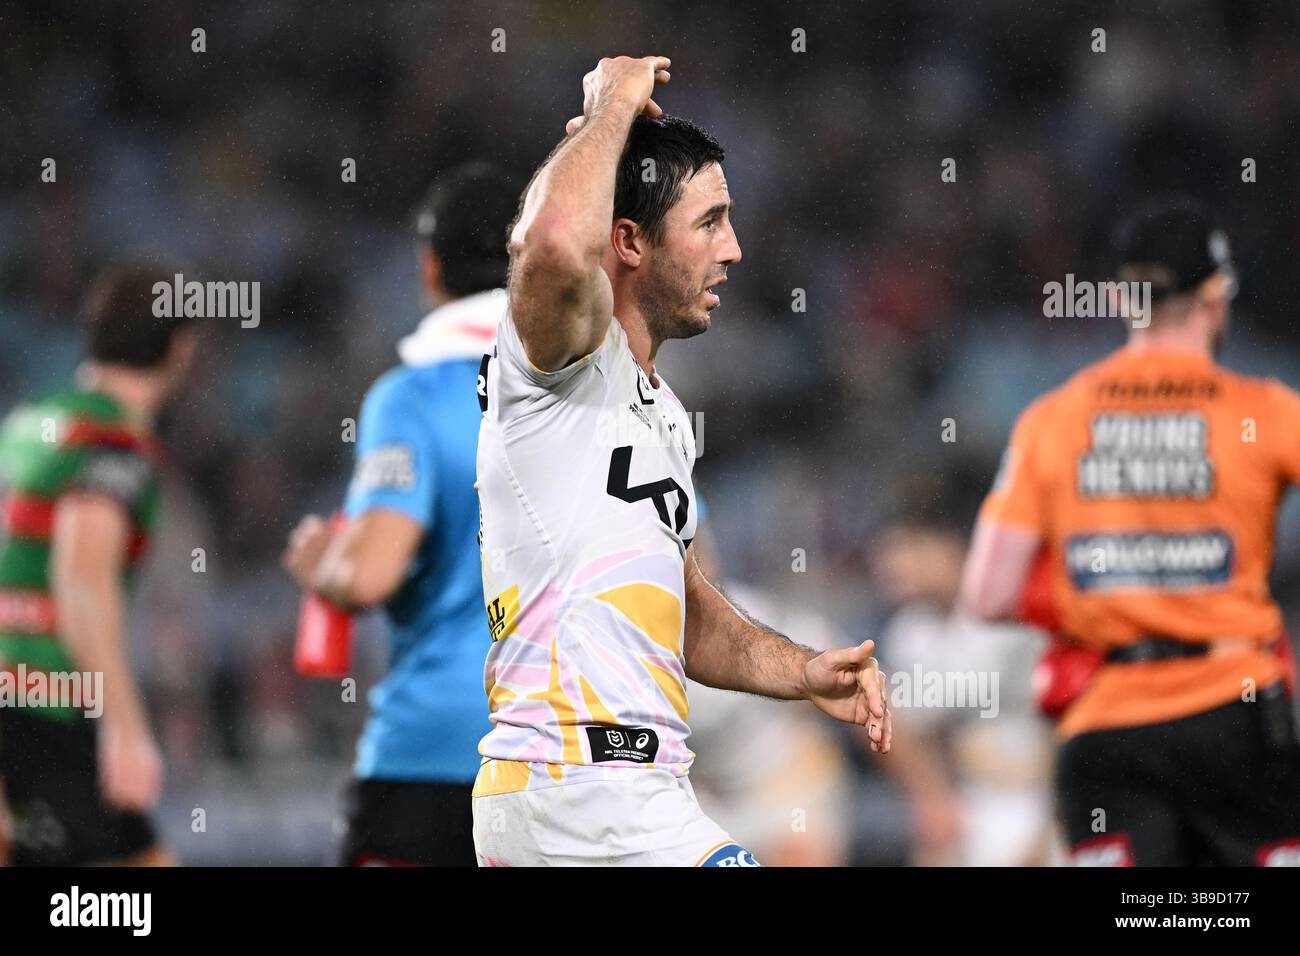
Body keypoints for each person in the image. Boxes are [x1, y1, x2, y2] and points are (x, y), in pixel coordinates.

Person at [472, 55, 891, 868]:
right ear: (628, 240)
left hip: (607, 793)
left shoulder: (660, 413)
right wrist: (615, 107)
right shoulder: (560, 363)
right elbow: (553, 242)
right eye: (709, 222)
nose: (733, 249)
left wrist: (802, 671)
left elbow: (691, 616)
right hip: (585, 788)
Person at [959, 197, 1300, 866]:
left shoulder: (1052, 420)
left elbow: (988, 594)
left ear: (1122, 298)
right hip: (1236, 711)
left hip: (1108, 726)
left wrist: (1105, 592)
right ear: (1214, 295)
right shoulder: (1265, 410)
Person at [283, 162, 517, 866]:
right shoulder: (606, 391)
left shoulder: (410, 398)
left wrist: (320, 562)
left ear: (429, 268)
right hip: (575, 762)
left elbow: (370, 575)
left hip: (437, 757)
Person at [0, 262, 198, 866]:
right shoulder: (115, 443)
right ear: (179, 348)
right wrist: (125, 726)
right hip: (47, 700)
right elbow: (81, 577)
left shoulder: (30, 422)